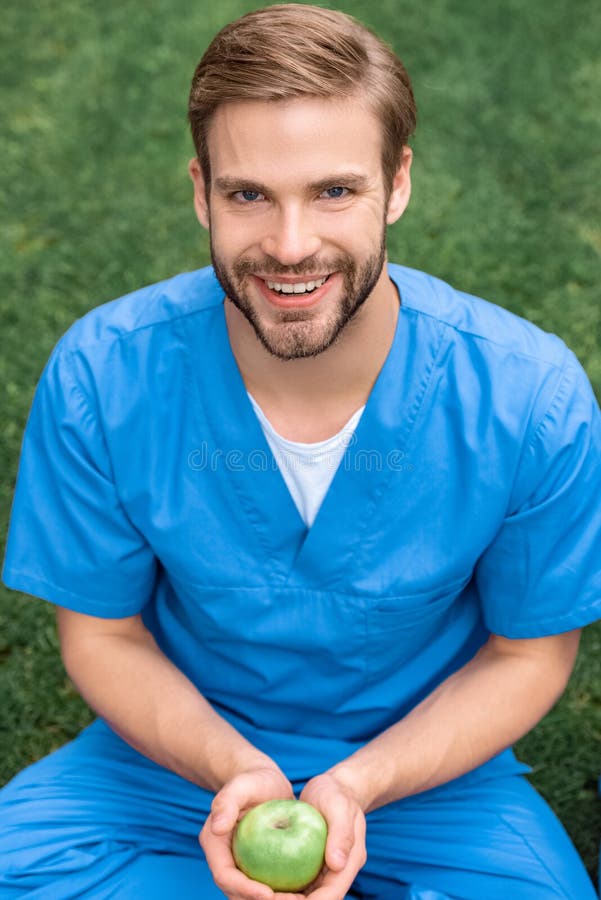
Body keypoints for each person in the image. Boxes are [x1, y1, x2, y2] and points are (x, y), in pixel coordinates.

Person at [1, 4, 600, 899]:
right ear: (201, 190)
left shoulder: (529, 399)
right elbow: (102, 633)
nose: (289, 248)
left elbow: (528, 654)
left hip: (425, 773)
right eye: (249, 195)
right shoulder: (105, 373)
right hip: (169, 758)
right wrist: (229, 767)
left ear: (395, 185)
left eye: (333, 191)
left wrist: (359, 784)